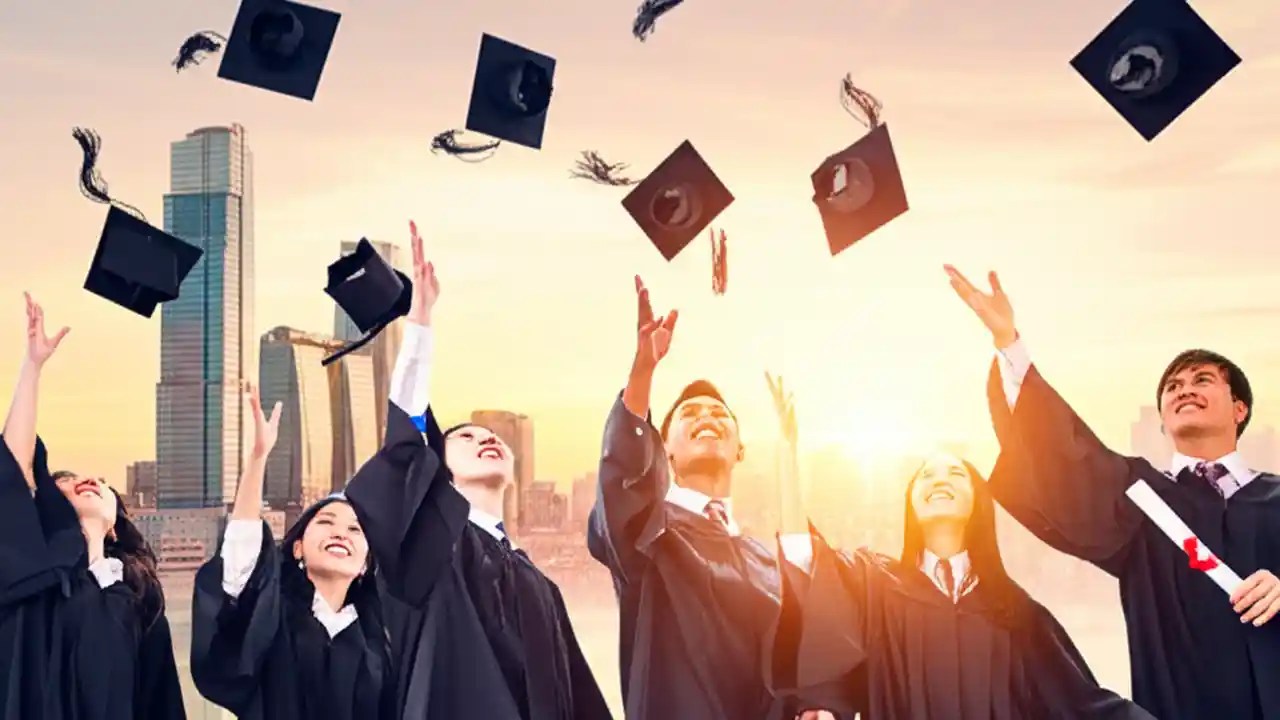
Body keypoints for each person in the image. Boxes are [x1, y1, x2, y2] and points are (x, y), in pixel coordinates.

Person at [945, 264, 1280, 720]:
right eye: (1173, 388)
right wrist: (1009, 343)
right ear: (1162, 421)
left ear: (1240, 409)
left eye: (1202, 380)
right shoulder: (1141, 501)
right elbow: (1064, 454)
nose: (1184, 390)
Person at [343, 222, 612, 720]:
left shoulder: (540, 585)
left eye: (491, 437)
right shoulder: (432, 545)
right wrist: (420, 323)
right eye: (463, 437)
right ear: (436, 470)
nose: (485, 438)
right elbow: (404, 443)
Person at [587, 275, 826, 720]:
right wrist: (643, 372)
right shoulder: (650, 535)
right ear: (665, 448)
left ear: (740, 450)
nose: (707, 419)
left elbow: (796, 658)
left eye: (720, 414)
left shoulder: (763, 560)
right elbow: (621, 482)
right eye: (690, 415)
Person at [767, 451, 1153, 719]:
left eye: (955, 474)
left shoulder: (1016, 613)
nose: (939, 481)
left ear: (978, 503)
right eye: (926, 475)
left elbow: (1083, 704)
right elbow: (808, 565)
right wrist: (788, 461)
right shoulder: (876, 587)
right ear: (911, 504)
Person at [0, 292, 186, 719]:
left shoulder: (138, 596)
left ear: (116, 525)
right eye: (62, 485)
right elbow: (11, 469)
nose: (85, 482)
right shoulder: (33, 579)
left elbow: (160, 701)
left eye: (100, 485)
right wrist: (33, 367)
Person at [190, 381, 394, 720]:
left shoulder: (377, 639)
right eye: (326, 522)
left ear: (365, 564)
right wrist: (258, 460)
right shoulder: (273, 618)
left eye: (355, 529)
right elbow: (241, 559)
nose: (340, 533)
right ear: (297, 547)